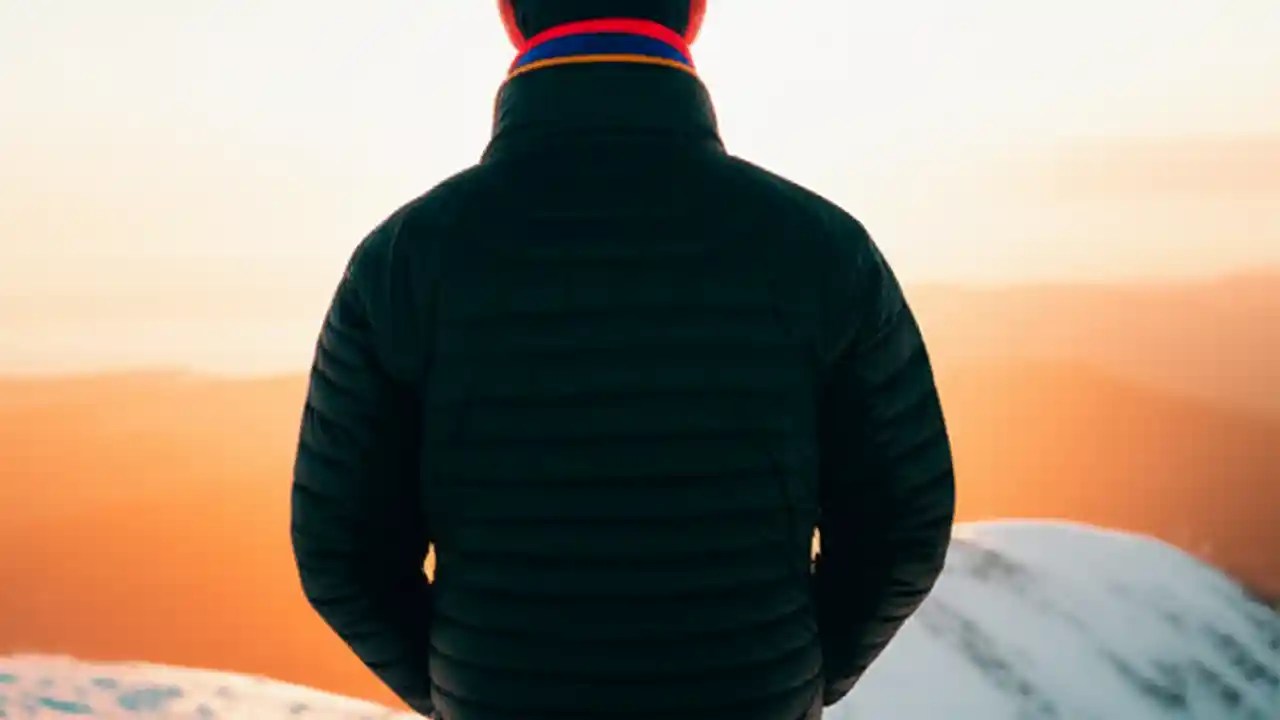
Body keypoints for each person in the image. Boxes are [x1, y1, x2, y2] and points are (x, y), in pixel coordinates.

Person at [290, 2, 956, 719]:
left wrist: (469, 687)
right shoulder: (823, 248)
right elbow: (904, 529)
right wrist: (793, 678)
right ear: (693, 15)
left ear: (512, 18)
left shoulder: (402, 261)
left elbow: (341, 554)